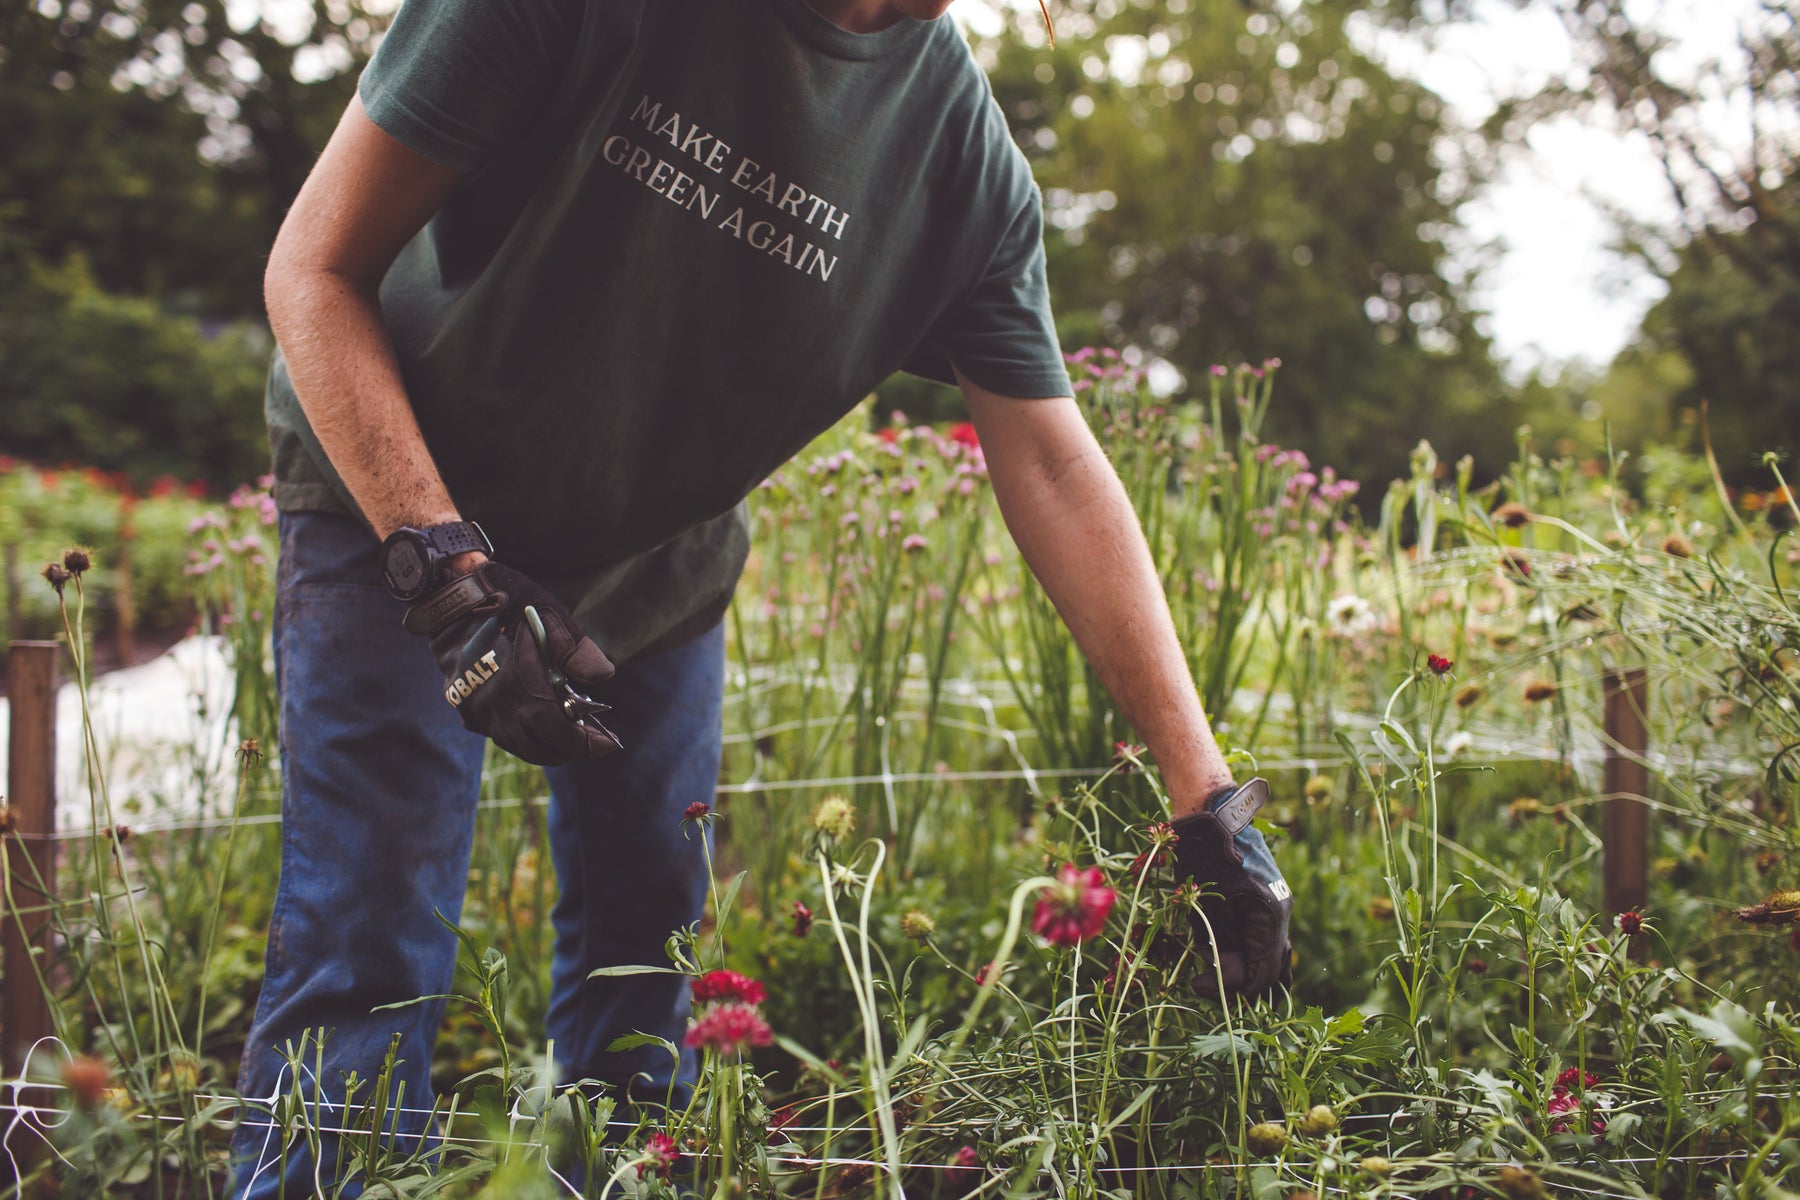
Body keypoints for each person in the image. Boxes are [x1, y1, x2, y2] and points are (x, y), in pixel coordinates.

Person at [230, 0, 1293, 1193]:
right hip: (396, 516)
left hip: (656, 565)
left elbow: (1049, 460)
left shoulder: (959, 166)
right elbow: (312, 266)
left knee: (647, 961)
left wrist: (1210, 805)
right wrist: (451, 578)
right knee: (372, 950)